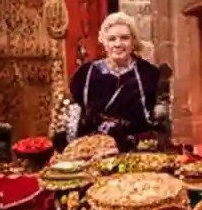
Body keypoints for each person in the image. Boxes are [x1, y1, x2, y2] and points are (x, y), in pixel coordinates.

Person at [55, 12, 165, 151]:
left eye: (124, 38)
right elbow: (70, 120)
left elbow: (160, 124)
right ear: (104, 42)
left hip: (137, 154)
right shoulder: (85, 75)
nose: (118, 44)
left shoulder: (150, 75)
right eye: (112, 39)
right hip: (92, 152)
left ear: (134, 41)